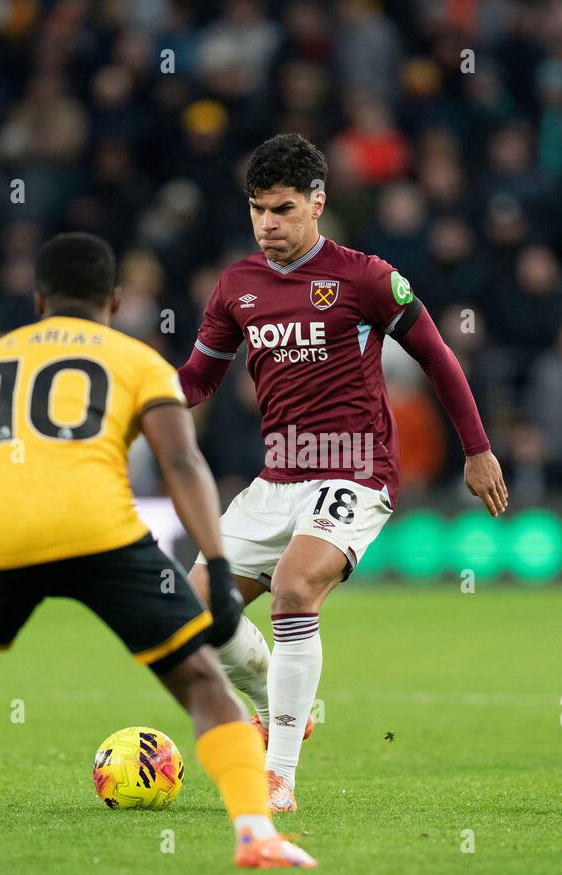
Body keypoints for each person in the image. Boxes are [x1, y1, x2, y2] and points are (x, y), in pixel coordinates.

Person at [0, 232, 316, 867]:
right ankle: (256, 833)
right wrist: (215, 564)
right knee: (201, 681)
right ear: (114, 298)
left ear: (39, 297)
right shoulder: (136, 361)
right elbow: (181, 460)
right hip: (102, 534)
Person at [177, 134, 508, 811]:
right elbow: (197, 381)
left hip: (354, 473)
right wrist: (132, 397)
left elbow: (438, 357)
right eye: (257, 210)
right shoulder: (236, 286)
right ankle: (273, 693)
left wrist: (476, 448)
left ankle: (279, 775)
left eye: (283, 209)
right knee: (192, 612)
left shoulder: (363, 278)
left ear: (318, 204)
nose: (267, 224)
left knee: (296, 588)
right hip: (277, 480)